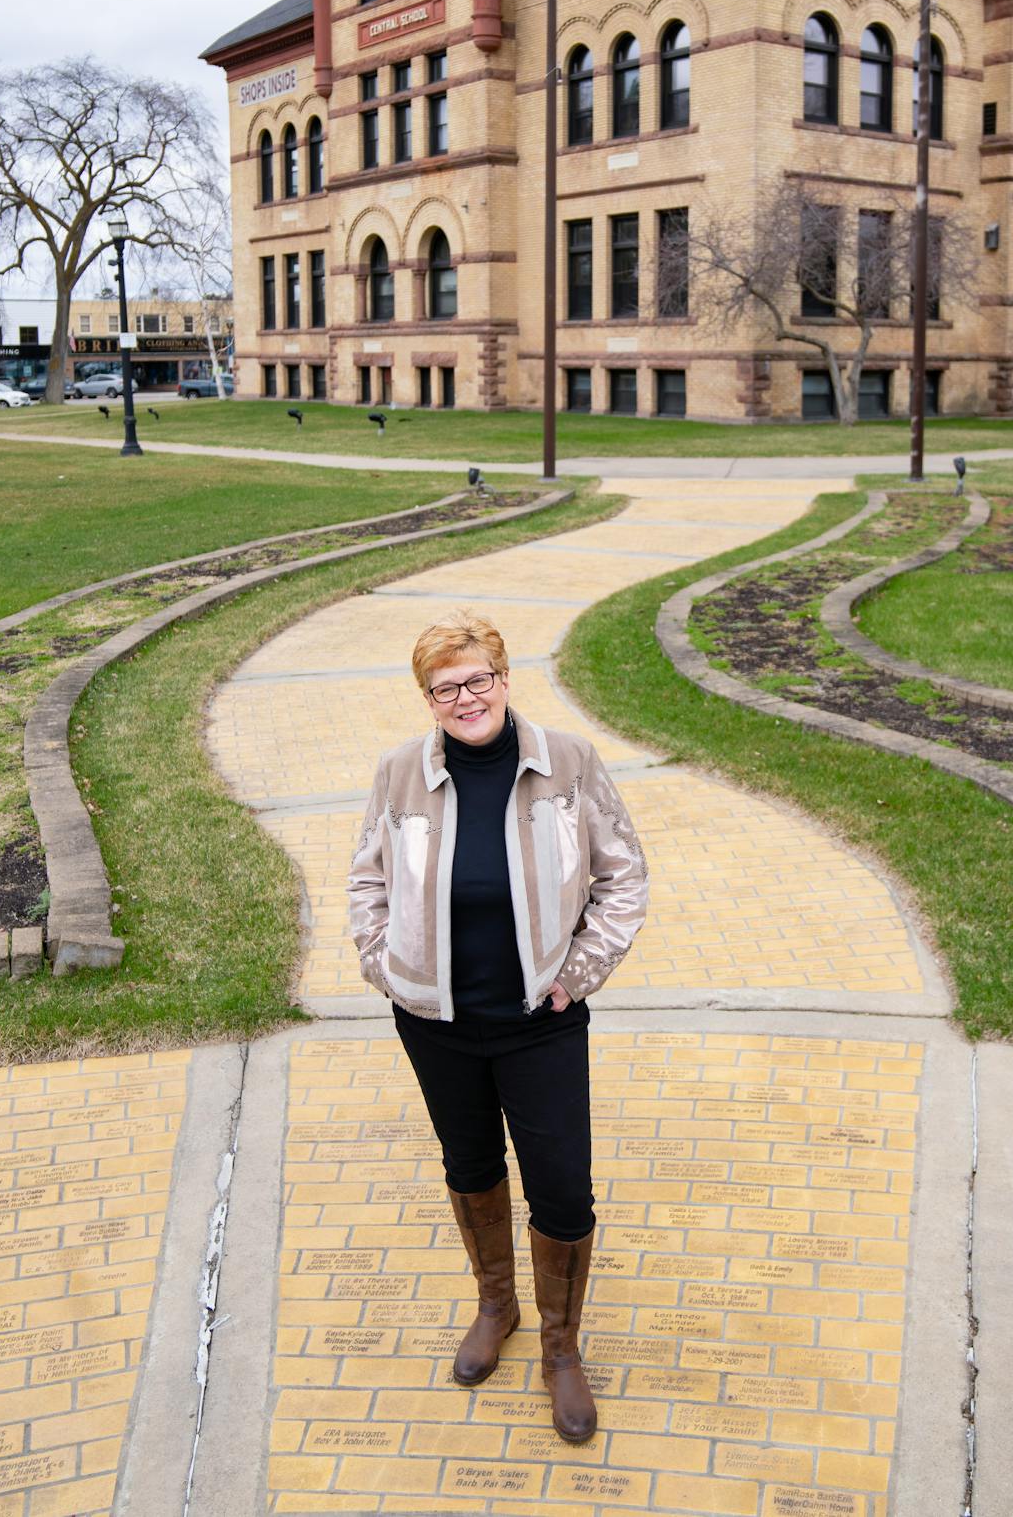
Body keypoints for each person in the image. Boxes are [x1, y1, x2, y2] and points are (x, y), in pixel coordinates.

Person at [347, 610, 649, 1442]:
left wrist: (578, 973)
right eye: (445, 688)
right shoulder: (400, 773)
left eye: (478, 679)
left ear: (506, 679)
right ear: (428, 699)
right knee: (470, 1163)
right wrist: (387, 966)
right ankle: (497, 1307)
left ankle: (561, 1349)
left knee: (562, 1191)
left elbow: (624, 879)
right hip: (437, 1026)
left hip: (540, 1025)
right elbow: (366, 881)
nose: (465, 698)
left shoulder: (569, 764)